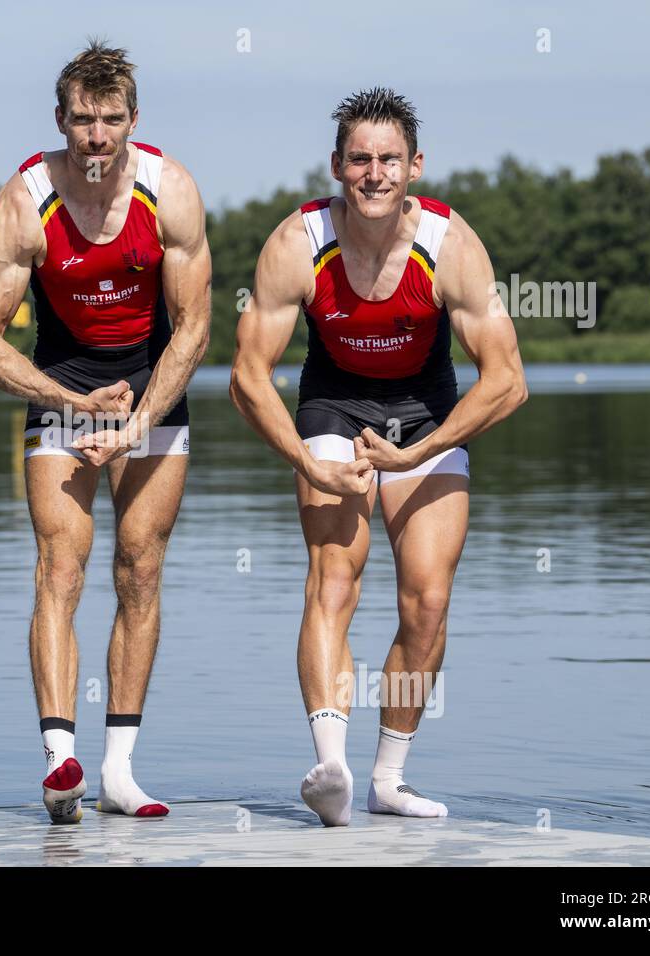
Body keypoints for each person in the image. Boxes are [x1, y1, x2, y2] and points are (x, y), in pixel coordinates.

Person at [230, 87, 527, 826]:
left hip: (424, 414)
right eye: (359, 159)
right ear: (336, 165)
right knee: (334, 577)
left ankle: (388, 779)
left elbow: (508, 382)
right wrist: (306, 460)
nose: (373, 173)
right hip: (334, 406)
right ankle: (329, 764)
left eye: (388, 160)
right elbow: (246, 376)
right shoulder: (297, 244)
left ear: (414, 166)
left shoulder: (449, 244)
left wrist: (419, 452)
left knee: (426, 600)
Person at [0, 42, 211, 823]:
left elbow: (195, 329)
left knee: (139, 571)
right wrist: (70, 404)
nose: (95, 137)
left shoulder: (169, 192)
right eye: (81, 120)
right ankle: (60, 763)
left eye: (110, 120)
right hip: (62, 386)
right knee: (60, 570)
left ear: (133, 120)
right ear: (59, 120)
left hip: (149, 391)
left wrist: (135, 422)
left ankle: (120, 771)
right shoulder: (26, 200)